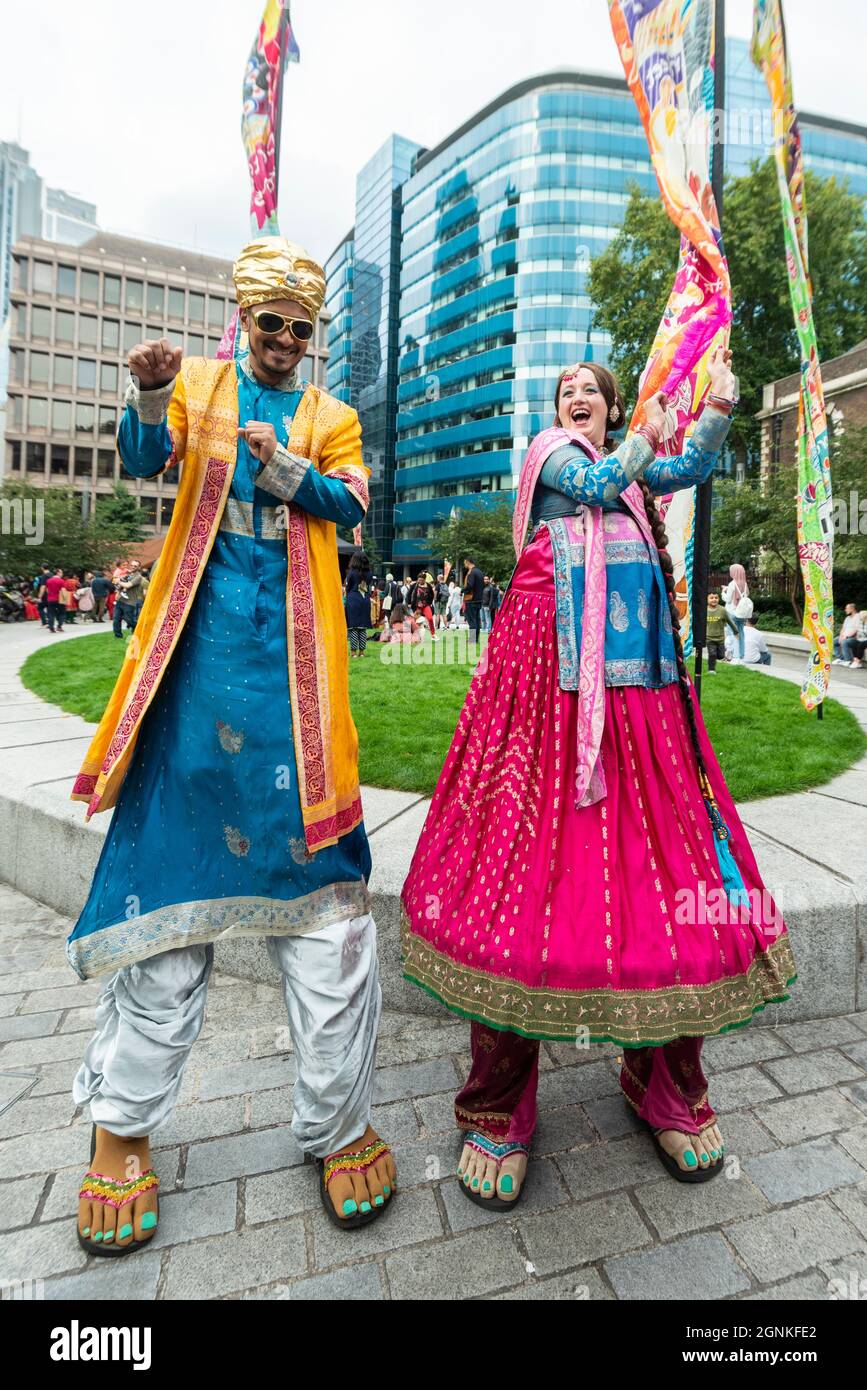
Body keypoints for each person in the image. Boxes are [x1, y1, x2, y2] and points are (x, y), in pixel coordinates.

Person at [401, 350, 795, 1209]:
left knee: (668, 876)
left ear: (612, 408)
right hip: (542, 699)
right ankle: (498, 1105)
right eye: (565, 391)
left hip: (642, 702)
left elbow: (682, 465)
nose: (576, 397)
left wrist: (719, 404)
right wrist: (647, 431)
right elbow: (597, 483)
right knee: (520, 877)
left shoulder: (632, 479)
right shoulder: (554, 457)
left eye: (591, 391)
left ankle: (662, 1081)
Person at [67, 236, 396, 1256]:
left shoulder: (333, 415)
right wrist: (153, 401)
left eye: (304, 329)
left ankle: (337, 1122)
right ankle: (118, 1132)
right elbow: (137, 460)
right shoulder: (202, 386)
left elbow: (355, 503)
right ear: (241, 315)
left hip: (297, 698)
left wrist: (293, 470)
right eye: (273, 324)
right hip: (196, 684)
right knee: (165, 918)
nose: (289, 343)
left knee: (331, 928)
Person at [344, 550, 372, 658]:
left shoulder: (352, 572)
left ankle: (353, 652)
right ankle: (362, 652)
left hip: (353, 598)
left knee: (353, 627)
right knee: (362, 627)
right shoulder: (369, 573)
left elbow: (348, 586)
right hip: (365, 599)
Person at [722, 564, 752, 660]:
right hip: (741, 614)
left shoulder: (732, 584)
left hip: (732, 612)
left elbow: (728, 599)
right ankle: (741, 654)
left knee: (732, 633)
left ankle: (733, 654)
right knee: (741, 633)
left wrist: (723, 592)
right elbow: (746, 593)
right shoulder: (744, 583)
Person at [705, 592, 737, 673]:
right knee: (712, 654)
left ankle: (727, 653)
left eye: (716, 598)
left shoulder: (722, 610)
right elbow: (701, 624)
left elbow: (729, 622)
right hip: (709, 638)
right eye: (711, 598)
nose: (714, 599)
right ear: (707, 599)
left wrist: (736, 632)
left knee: (720, 656)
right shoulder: (704, 611)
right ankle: (711, 670)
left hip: (720, 639)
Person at [462, 557, 484, 643]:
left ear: (468, 562)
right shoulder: (479, 572)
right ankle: (476, 639)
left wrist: (462, 590)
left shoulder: (471, 572)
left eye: (465, 563)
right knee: (477, 620)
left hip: (471, 600)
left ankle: (472, 639)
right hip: (479, 599)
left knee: (471, 621)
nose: (465, 565)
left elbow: (470, 585)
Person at [411, 570, 437, 639]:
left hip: (426, 605)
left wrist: (429, 603)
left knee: (430, 618)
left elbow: (432, 595)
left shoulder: (428, 586)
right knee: (415, 620)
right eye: (419, 580)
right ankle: (413, 635)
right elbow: (410, 594)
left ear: (424, 580)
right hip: (417, 606)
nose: (420, 582)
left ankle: (433, 634)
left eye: (421, 580)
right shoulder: (415, 585)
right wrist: (410, 603)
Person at [44, 567, 66, 634]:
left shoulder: (48, 581)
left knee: (51, 614)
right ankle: (59, 626)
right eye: (61, 572)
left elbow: (47, 590)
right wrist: (65, 599)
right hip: (59, 599)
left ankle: (51, 628)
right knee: (62, 613)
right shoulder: (61, 581)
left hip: (50, 599)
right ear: (58, 573)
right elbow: (63, 590)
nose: (62, 574)